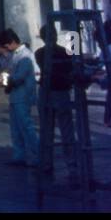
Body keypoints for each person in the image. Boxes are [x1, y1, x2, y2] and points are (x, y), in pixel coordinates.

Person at [34, 25, 77, 177]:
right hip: (59, 91)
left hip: (48, 91)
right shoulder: (64, 52)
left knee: (47, 130)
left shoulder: (40, 52)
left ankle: (47, 164)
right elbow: (70, 69)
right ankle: (71, 166)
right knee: (65, 130)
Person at [0, 28, 39, 167]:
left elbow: (18, 77)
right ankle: (19, 155)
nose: (6, 48)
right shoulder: (14, 55)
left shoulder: (26, 55)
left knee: (26, 126)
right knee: (15, 128)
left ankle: (36, 155)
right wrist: (3, 79)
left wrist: (3, 80)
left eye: (7, 45)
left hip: (23, 95)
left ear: (13, 42)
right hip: (15, 95)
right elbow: (8, 71)